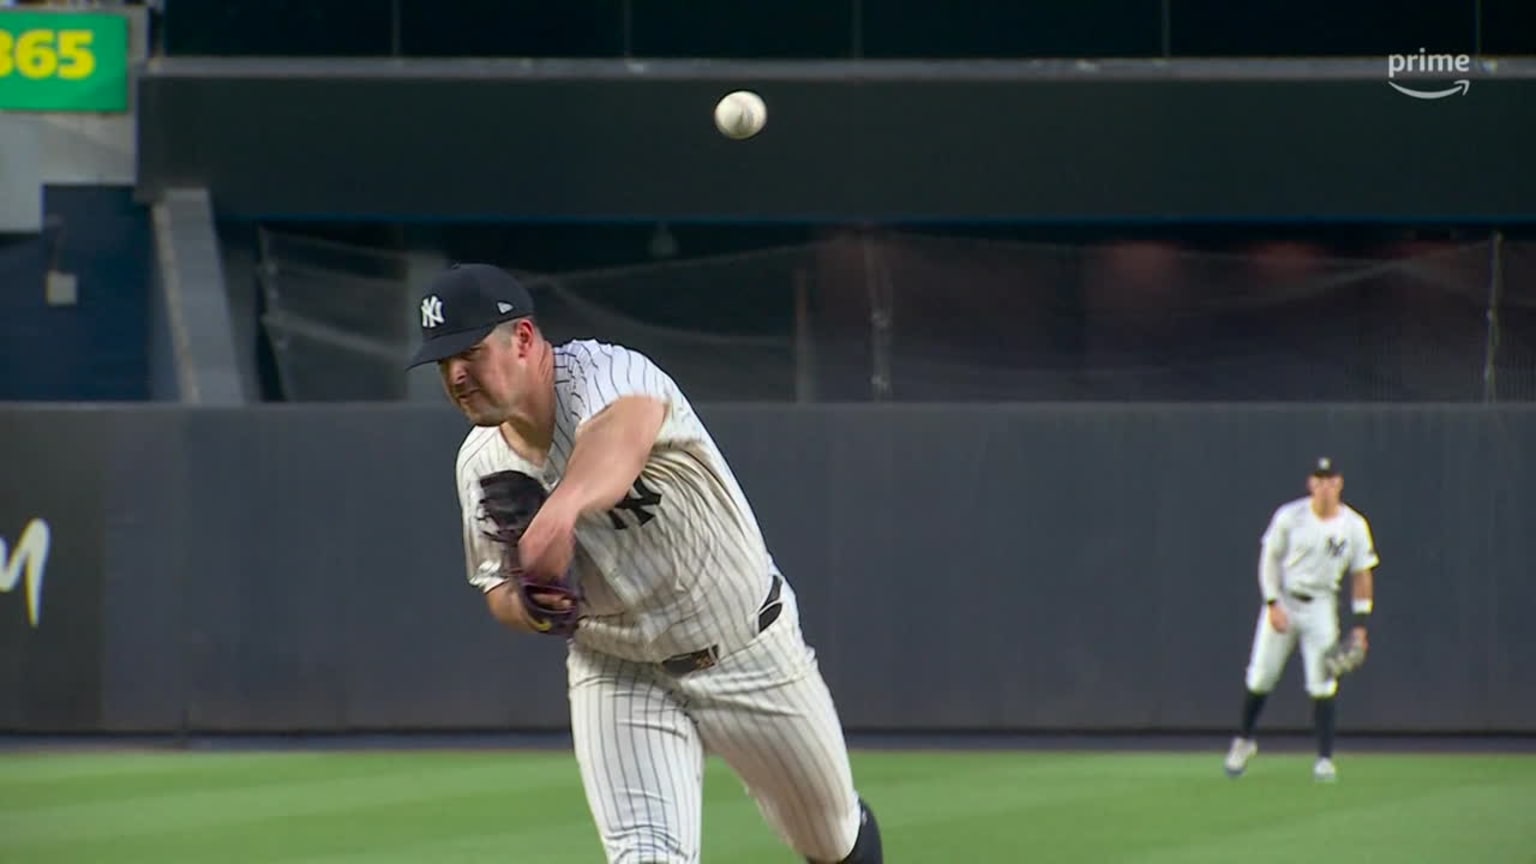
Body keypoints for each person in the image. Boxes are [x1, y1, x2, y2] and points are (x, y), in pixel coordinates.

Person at [407, 263, 884, 864]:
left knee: (833, 839)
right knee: (645, 855)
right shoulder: (478, 460)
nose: (455, 375)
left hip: (746, 647)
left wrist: (559, 510)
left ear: (524, 339)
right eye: (442, 361)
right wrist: (530, 606)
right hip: (618, 670)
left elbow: (622, 437)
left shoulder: (609, 373)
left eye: (469, 353)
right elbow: (496, 589)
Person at [1224, 457, 1379, 782]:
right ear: (1311, 484)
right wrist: (1271, 602)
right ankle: (1244, 740)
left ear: (1340, 483)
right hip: (1286, 599)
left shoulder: (1353, 525)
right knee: (1260, 677)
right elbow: (1269, 560)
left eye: (1331, 479)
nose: (1325, 486)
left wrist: (1361, 623)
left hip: (1322, 604)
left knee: (1322, 682)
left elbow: (1362, 574)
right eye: (1319, 479)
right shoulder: (1290, 516)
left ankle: (1324, 758)